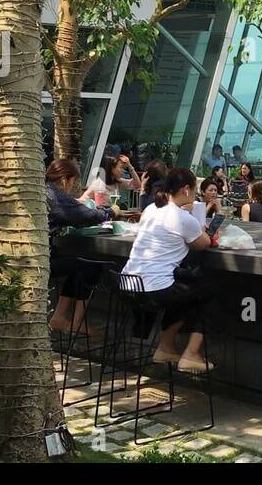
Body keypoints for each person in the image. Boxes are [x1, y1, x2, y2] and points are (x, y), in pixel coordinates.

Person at [122, 167, 214, 373]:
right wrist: (193, 217)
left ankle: (166, 348)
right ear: (186, 190)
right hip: (153, 289)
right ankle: (191, 354)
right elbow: (204, 243)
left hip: (127, 284)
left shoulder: (151, 210)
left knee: (182, 290)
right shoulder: (182, 218)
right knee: (206, 292)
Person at [46, 159, 119, 336]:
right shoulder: (56, 196)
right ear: (64, 179)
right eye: (72, 182)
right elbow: (84, 216)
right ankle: (75, 323)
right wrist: (111, 212)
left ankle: (60, 316)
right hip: (44, 262)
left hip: (44, 256)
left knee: (78, 266)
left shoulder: (45, 191)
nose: (72, 186)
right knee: (89, 267)